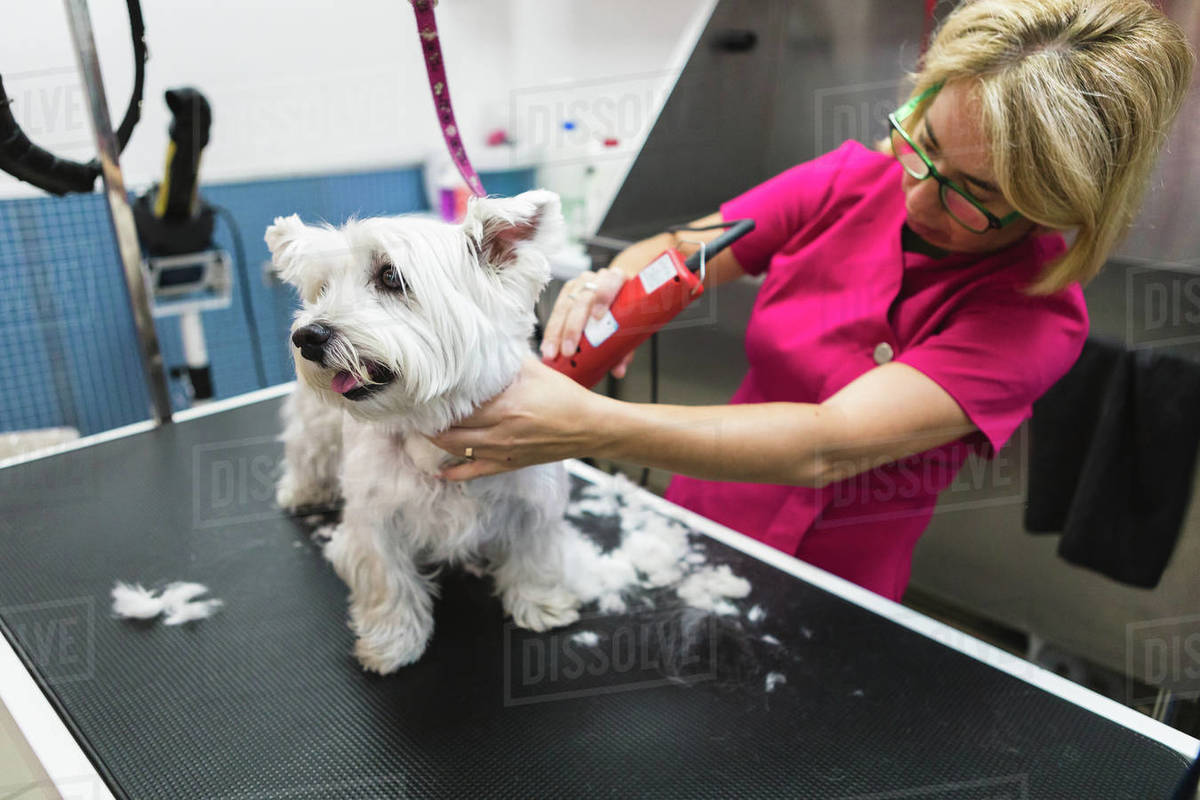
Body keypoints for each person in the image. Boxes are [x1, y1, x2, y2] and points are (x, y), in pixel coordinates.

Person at [431, 0, 1195, 601]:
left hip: (835, 592)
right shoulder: (848, 180)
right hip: (696, 520)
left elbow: (828, 443)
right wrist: (610, 287)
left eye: (975, 194)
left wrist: (582, 425)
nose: (919, 197)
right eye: (924, 144)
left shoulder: (1035, 318)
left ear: (1057, 205)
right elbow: (683, 252)